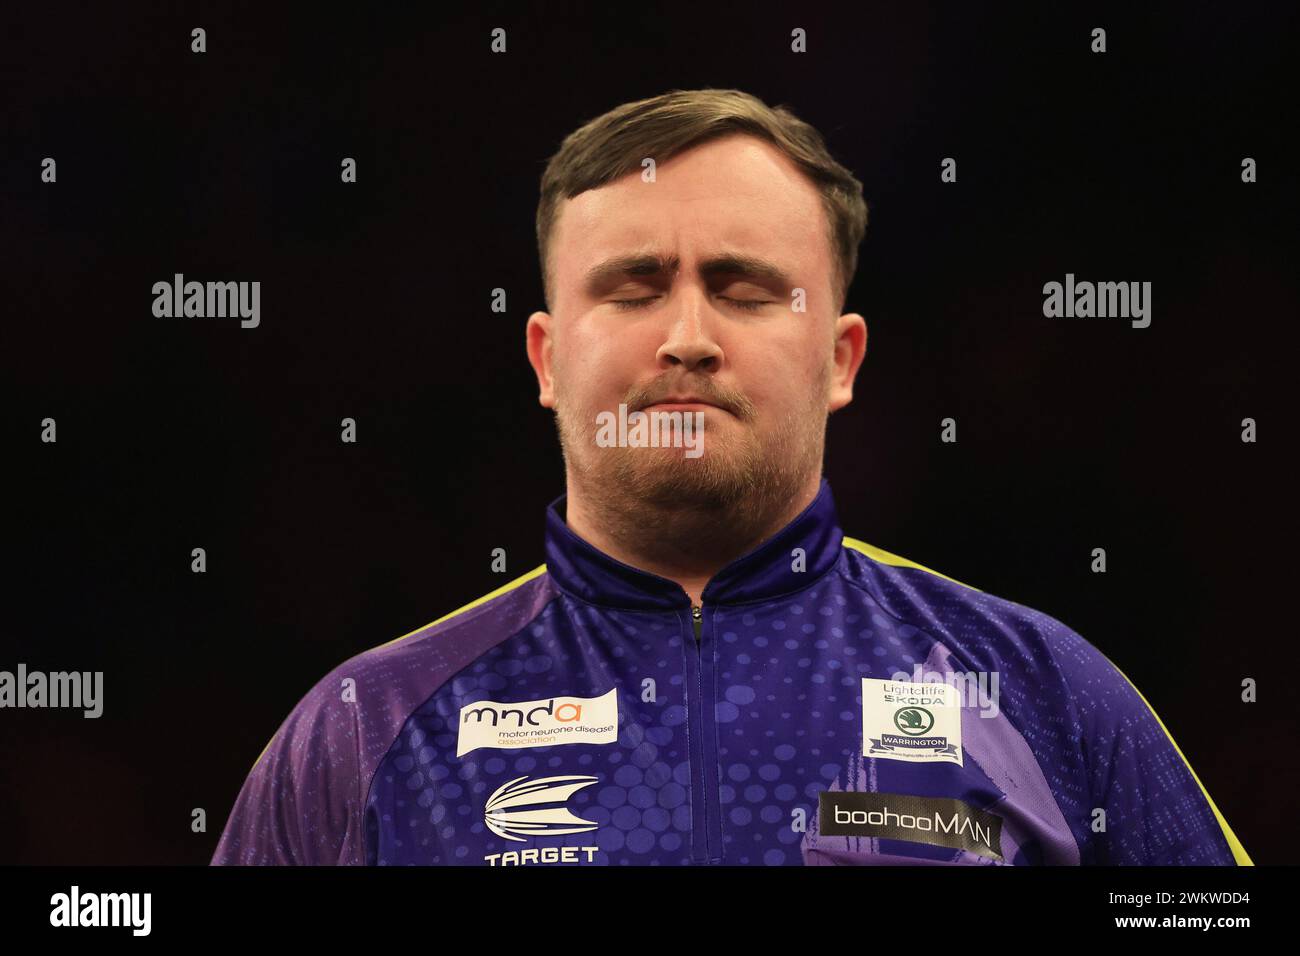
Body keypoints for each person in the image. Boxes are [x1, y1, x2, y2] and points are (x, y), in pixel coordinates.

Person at [211, 88, 1250, 866]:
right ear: (546, 358)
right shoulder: (364, 728)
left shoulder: (1043, 689)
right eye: (633, 289)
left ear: (840, 358)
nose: (688, 337)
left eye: (745, 289)